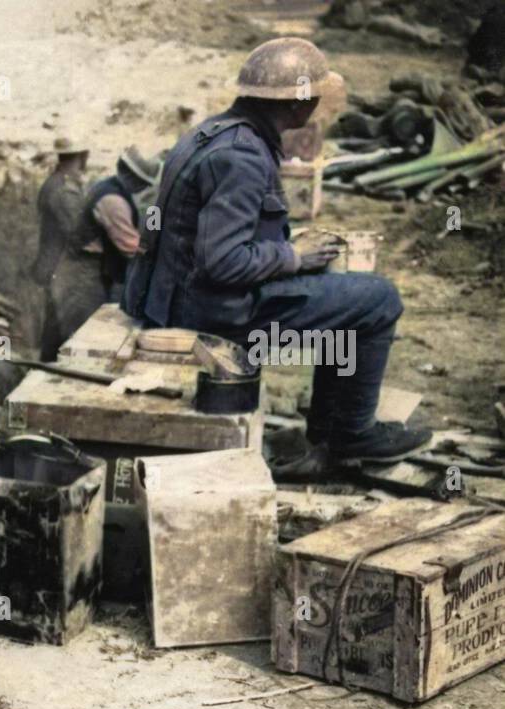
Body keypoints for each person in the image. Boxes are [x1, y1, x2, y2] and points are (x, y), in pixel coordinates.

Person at [122, 37, 431, 465]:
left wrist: (290, 249)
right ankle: (351, 434)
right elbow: (222, 261)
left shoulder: (211, 132)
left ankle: (330, 427)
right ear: (295, 105)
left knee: (340, 295)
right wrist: (294, 256)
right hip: (214, 315)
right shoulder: (243, 155)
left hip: (175, 299)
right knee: (379, 298)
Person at [30, 137, 94, 361]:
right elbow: (80, 232)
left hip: (54, 265)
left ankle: (46, 369)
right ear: (82, 156)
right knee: (64, 328)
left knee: (55, 329)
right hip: (60, 268)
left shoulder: (56, 181)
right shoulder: (63, 190)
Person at [83, 146, 164, 301]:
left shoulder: (114, 186)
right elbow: (131, 247)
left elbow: (152, 223)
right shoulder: (113, 201)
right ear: (132, 177)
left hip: (103, 268)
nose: (145, 188)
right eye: (144, 183)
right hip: (92, 275)